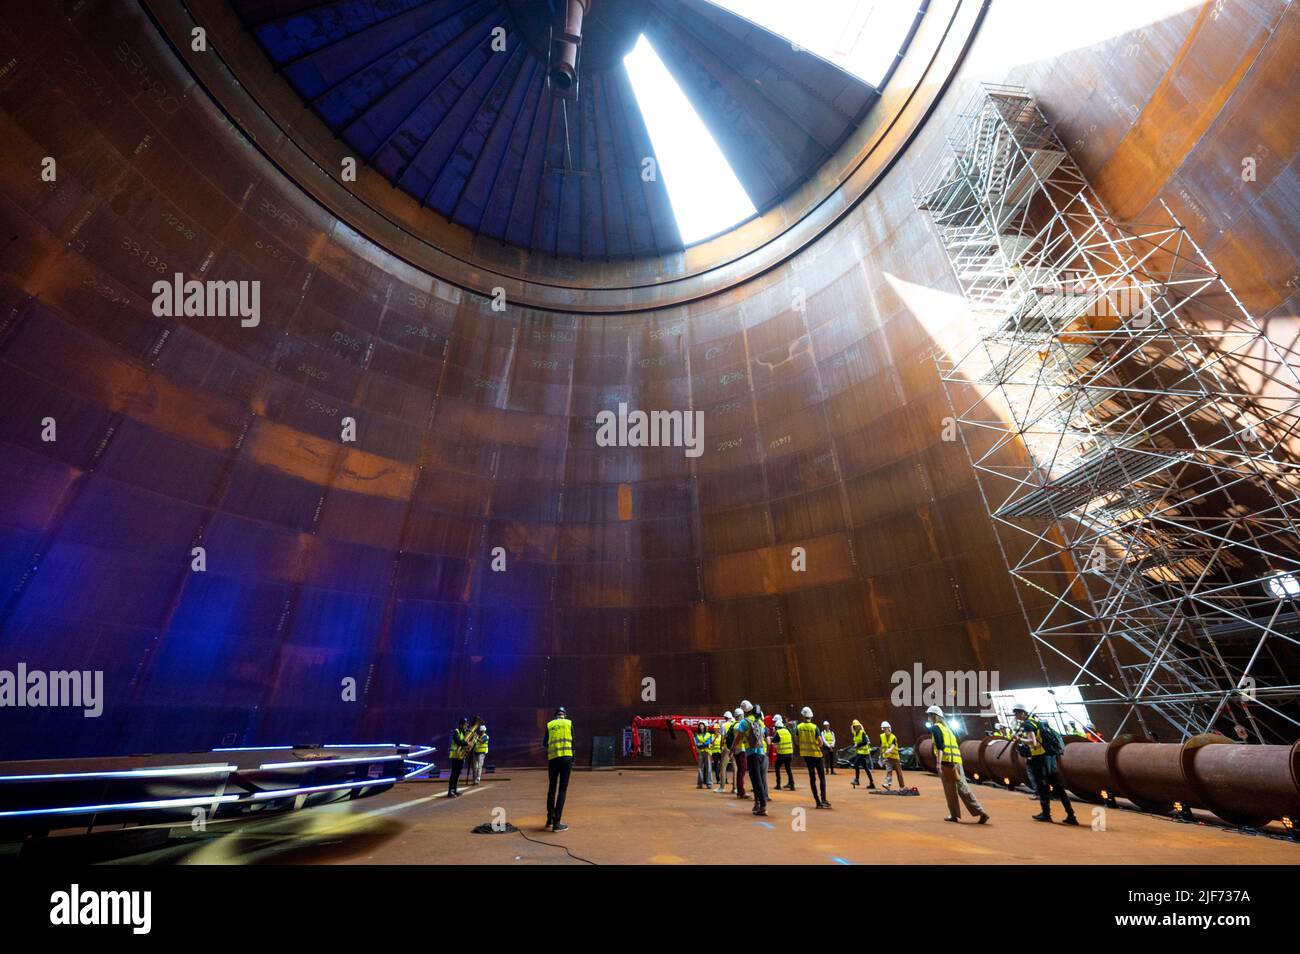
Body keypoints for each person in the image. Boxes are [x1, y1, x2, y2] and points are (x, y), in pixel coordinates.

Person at [1011, 702, 1077, 826]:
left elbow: (1033, 742)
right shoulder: (1035, 721)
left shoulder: (1027, 724)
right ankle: (1071, 815)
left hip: (1038, 759)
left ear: (1022, 713)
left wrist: (1019, 739)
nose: (1015, 715)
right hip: (1048, 757)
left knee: (1042, 787)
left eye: (1016, 712)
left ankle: (1046, 814)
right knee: (1058, 787)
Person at [928, 705, 988, 824]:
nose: (928, 717)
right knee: (963, 787)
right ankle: (980, 812)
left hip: (947, 763)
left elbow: (940, 746)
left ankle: (954, 815)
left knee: (950, 790)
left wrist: (938, 764)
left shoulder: (935, 728)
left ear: (934, 716)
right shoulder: (947, 728)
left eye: (929, 715)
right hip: (956, 761)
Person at [543, 706, 574, 832]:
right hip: (566, 759)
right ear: (564, 715)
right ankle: (557, 823)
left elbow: (544, 743)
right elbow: (574, 742)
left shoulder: (550, 725)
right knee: (562, 789)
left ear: (555, 715)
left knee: (552, 788)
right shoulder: (569, 723)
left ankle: (550, 819)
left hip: (553, 759)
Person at [737, 704, 769, 816]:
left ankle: (763, 806)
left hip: (751, 753)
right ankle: (757, 804)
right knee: (759, 779)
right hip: (762, 753)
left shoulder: (744, 722)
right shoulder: (759, 721)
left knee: (756, 780)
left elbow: (739, 737)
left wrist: (732, 747)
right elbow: (765, 735)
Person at [795, 707, 830, 808]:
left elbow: (796, 742)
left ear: (803, 716)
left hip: (806, 755)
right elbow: (820, 742)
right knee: (822, 778)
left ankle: (817, 801)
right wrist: (815, 745)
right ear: (811, 716)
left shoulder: (799, 727)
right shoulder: (814, 727)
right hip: (816, 755)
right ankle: (823, 799)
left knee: (812, 778)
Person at [733, 701, 753, 799]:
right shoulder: (739, 725)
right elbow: (739, 738)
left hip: (737, 750)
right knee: (742, 771)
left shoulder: (734, 724)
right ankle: (741, 792)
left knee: (740, 771)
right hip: (741, 750)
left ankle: (740, 790)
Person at [771, 714, 796, 790]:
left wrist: (772, 736)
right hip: (789, 753)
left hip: (782, 754)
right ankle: (792, 785)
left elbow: (773, 740)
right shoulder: (787, 731)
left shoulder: (778, 732)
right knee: (788, 769)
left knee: (777, 768)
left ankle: (778, 784)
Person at [849, 719, 876, 789]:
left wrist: (857, 745)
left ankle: (857, 780)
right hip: (859, 752)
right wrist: (856, 745)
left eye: (857, 726)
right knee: (865, 768)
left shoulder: (862, 732)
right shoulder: (855, 733)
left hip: (864, 752)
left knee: (856, 763)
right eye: (855, 726)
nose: (856, 727)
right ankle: (872, 783)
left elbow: (865, 742)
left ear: (859, 726)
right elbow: (856, 741)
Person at [880, 721, 905, 791]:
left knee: (899, 772)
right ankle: (887, 784)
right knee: (889, 771)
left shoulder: (893, 737)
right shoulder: (882, 736)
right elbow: (881, 746)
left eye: (885, 728)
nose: (884, 730)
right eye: (883, 729)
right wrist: (881, 756)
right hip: (888, 757)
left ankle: (902, 786)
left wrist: (889, 750)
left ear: (889, 728)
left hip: (895, 758)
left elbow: (893, 745)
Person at [447, 717, 468, 798]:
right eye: (465, 724)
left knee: (457, 774)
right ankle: (450, 791)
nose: (467, 726)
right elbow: (458, 741)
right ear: (461, 724)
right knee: (454, 774)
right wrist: (466, 743)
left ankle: (455, 790)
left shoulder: (463, 732)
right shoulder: (456, 731)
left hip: (460, 756)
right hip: (455, 756)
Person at [716, 711, 737, 792]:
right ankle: (735, 788)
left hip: (727, 748)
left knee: (723, 767)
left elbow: (722, 738)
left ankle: (722, 787)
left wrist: (721, 747)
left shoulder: (723, 725)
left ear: (725, 718)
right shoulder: (734, 724)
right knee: (735, 768)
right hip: (735, 748)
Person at [694, 721, 715, 789]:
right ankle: (700, 784)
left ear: (705, 727)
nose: (701, 727)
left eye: (702, 726)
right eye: (700, 726)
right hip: (700, 753)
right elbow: (697, 744)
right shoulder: (697, 735)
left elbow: (708, 743)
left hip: (707, 752)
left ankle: (709, 784)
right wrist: (704, 745)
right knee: (700, 768)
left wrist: (702, 744)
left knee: (708, 768)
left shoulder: (708, 734)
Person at [709, 719, 723, 787]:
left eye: (717, 729)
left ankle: (724, 779)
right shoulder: (712, 736)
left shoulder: (721, 736)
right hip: (714, 752)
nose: (716, 730)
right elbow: (711, 743)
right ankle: (718, 779)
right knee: (716, 766)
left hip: (721, 752)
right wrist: (715, 738)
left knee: (722, 765)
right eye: (715, 729)